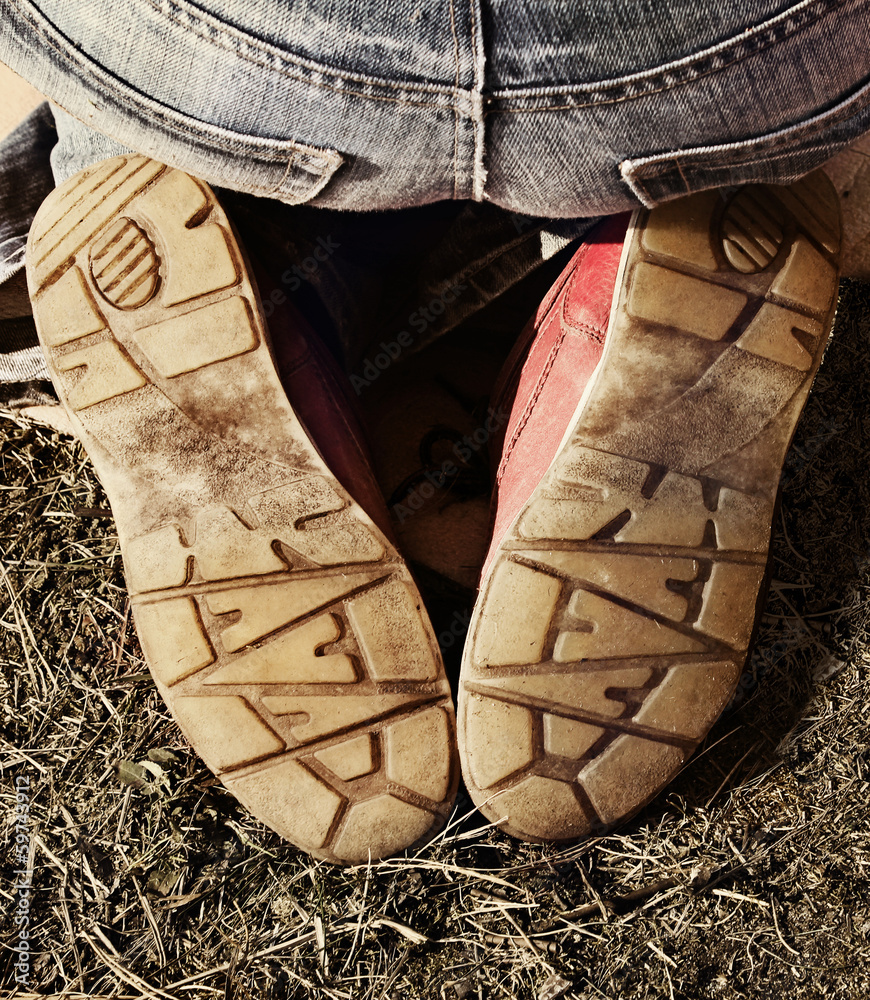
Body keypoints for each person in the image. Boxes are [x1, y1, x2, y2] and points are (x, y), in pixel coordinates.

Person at [1, 0, 868, 863]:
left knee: (152, 123)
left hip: (245, 74)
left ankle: (261, 301)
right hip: (721, 71)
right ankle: (601, 323)